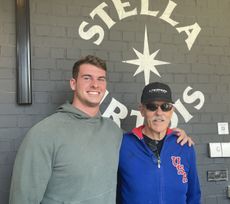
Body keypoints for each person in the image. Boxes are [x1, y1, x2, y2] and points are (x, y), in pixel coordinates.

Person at [9, 55, 193, 204]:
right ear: (73, 83)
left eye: (100, 79)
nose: (95, 85)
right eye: (87, 78)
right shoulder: (44, 133)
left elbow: (147, 142)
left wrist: (173, 136)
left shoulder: (113, 132)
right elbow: (23, 198)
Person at [117, 82, 201, 204]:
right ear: (142, 110)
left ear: (172, 111)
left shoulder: (184, 146)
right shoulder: (123, 144)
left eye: (165, 106)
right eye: (152, 106)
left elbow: (194, 195)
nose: (159, 112)